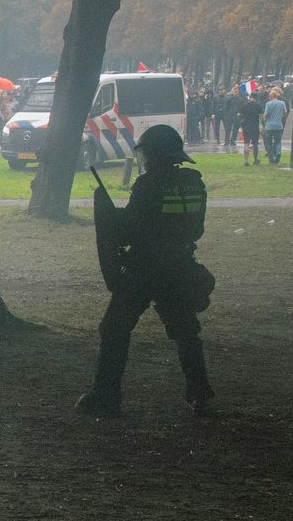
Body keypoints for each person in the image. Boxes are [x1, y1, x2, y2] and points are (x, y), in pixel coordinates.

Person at [76, 123, 215, 418]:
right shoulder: (194, 182)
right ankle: (200, 390)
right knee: (185, 330)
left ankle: (106, 395)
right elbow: (197, 228)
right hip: (179, 266)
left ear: (151, 154)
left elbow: (130, 230)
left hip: (145, 269)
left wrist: (111, 217)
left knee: (114, 329)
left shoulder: (148, 184)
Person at [261, 89, 288, 165]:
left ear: (270, 97)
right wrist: (283, 119)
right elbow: (285, 113)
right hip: (279, 125)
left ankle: (271, 158)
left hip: (269, 126)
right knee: (278, 141)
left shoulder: (268, 104)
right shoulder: (282, 103)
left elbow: (265, 115)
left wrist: (264, 121)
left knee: (269, 142)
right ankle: (278, 153)